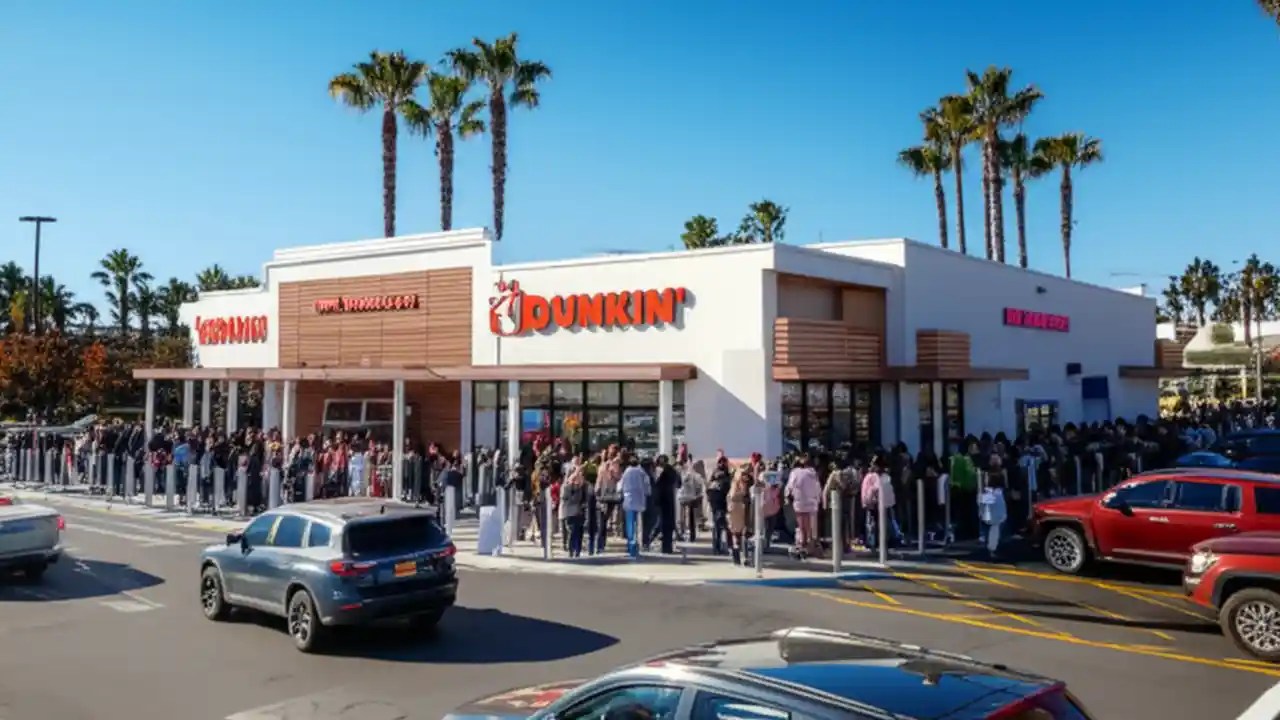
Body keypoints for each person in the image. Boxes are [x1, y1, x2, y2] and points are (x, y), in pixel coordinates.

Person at [785, 455, 822, 558]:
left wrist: (787, 496)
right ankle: (811, 546)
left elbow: (790, 486)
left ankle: (802, 545)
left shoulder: (795, 473)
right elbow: (817, 487)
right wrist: (818, 499)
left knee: (802, 526)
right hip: (812, 503)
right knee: (811, 526)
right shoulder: (813, 473)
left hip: (800, 502)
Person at [618, 455, 650, 559]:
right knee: (638, 526)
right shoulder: (642, 473)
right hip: (640, 501)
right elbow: (647, 487)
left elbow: (620, 486)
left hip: (629, 501)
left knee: (630, 525)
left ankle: (631, 548)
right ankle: (637, 548)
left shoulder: (626, 473)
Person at [653, 455, 681, 554]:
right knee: (668, 524)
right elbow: (679, 483)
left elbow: (657, 486)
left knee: (664, 524)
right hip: (670, 499)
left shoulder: (662, 472)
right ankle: (668, 547)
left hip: (662, 500)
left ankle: (666, 547)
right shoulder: (673, 471)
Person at [979, 469, 1009, 558]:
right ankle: (992, 548)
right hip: (997, 517)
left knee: (991, 531)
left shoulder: (989, 493)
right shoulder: (999, 493)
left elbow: (983, 505)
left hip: (991, 517)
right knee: (994, 531)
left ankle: (990, 547)